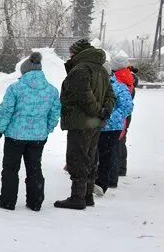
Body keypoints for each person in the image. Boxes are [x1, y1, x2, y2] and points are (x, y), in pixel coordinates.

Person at [0, 52, 60, 211]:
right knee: (34, 168)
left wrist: (0, 130)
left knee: (10, 169)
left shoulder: (15, 88)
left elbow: (6, 111)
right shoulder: (52, 90)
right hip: (38, 137)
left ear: (24, 71)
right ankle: (35, 202)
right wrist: (46, 129)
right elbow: (55, 113)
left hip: (15, 136)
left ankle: (7, 201)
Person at [54, 39, 115, 210]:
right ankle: (87, 195)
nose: (70, 56)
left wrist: (96, 110)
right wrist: (104, 111)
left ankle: (77, 198)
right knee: (89, 157)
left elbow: (83, 95)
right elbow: (111, 95)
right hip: (95, 123)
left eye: (72, 53)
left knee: (77, 158)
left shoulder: (80, 69)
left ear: (78, 52)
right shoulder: (101, 70)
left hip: (81, 122)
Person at [94, 65, 134, 195]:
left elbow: (127, 106)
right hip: (100, 125)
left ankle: (102, 182)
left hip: (110, 127)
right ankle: (97, 180)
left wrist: (108, 116)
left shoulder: (118, 87)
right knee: (100, 154)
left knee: (106, 155)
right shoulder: (101, 85)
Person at [111, 53, 136, 177]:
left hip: (118, 112)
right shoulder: (129, 76)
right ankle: (121, 168)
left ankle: (115, 170)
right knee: (122, 139)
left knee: (115, 140)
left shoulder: (118, 78)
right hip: (126, 112)